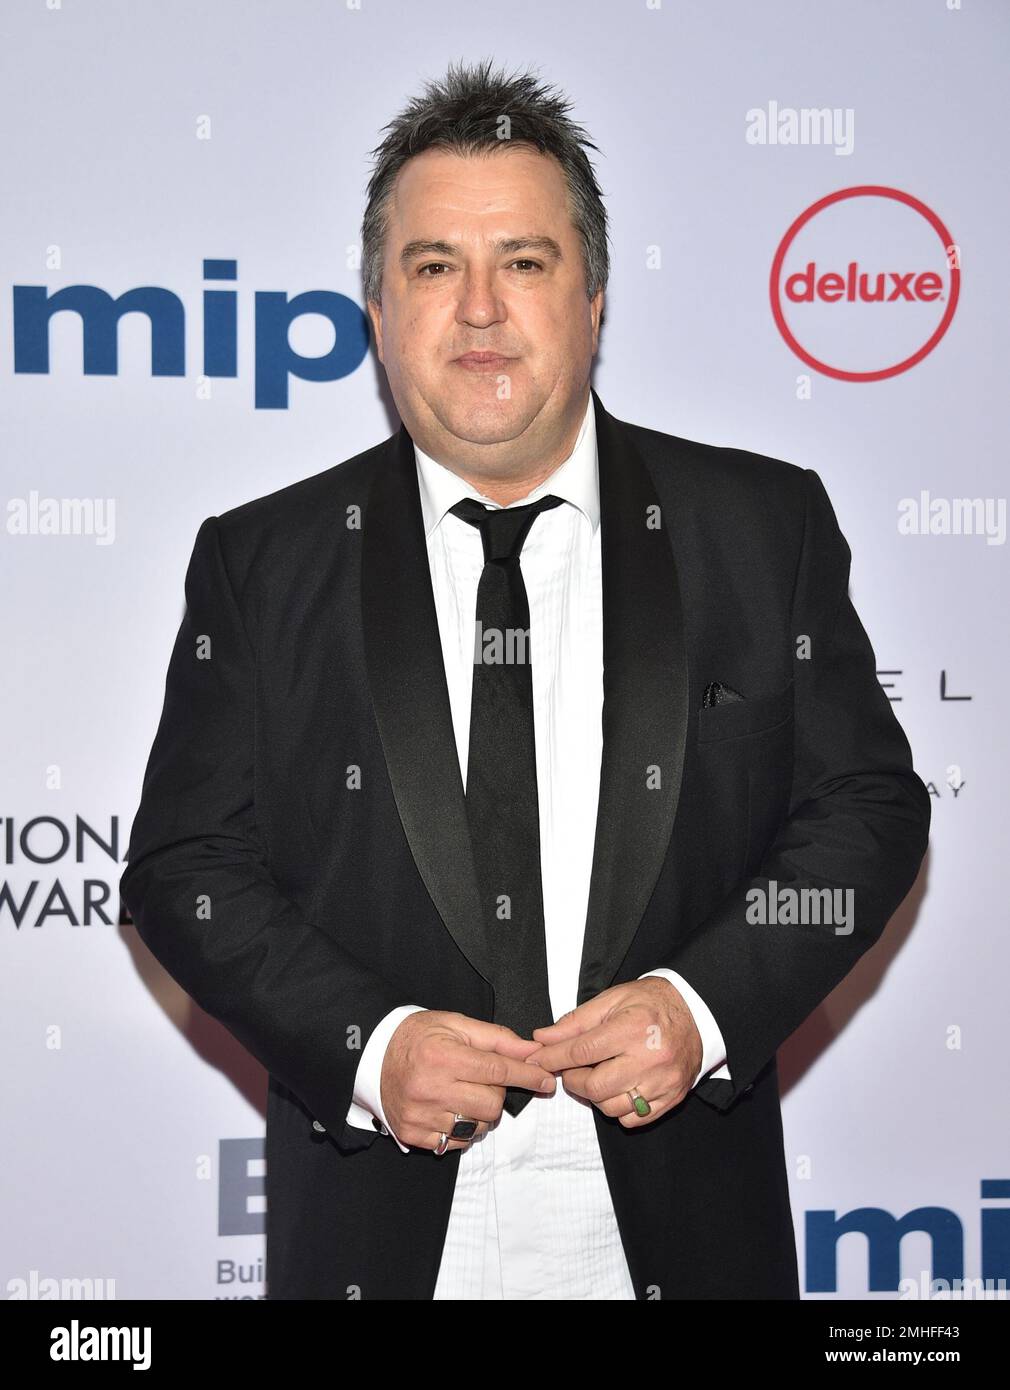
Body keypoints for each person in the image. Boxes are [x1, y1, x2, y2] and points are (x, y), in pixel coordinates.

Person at [120, 59, 931, 1300]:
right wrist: (371, 1046)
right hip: (381, 1225)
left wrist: (700, 1004)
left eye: (527, 262)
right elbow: (185, 869)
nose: (481, 310)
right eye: (435, 266)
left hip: (679, 1223)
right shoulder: (262, 561)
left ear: (594, 297)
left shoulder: (759, 528)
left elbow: (867, 813)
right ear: (378, 311)